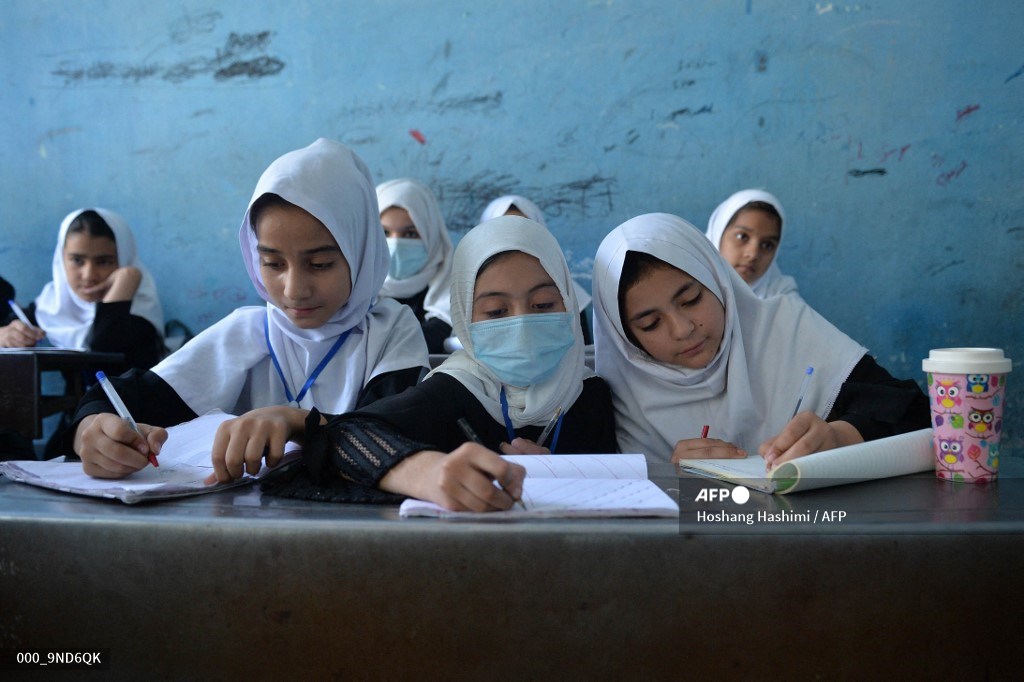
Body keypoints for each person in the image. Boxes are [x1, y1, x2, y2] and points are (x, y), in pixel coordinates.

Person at [69, 138, 429, 479]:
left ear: (361, 252)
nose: (294, 290)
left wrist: (297, 423)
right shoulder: (244, 333)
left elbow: (393, 434)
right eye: (273, 264)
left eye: (320, 265)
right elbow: (116, 396)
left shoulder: (390, 332)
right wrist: (93, 429)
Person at [253, 216, 617, 512]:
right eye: (496, 312)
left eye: (543, 306)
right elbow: (344, 439)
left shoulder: (592, 395)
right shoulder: (450, 392)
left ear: (568, 304)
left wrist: (565, 473)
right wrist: (423, 470)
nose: (521, 324)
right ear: (463, 318)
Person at [592, 212, 928, 468]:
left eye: (691, 299)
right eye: (650, 323)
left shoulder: (787, 329)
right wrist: (670, 481)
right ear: (626, 339)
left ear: (719, 282)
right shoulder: (613, 398)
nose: (682, 329)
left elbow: (914, 414)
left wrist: (840, 436)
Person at [0, 208, 165, 370]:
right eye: (77, 260)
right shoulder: (51, 307)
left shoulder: (139, 313)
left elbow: (105, 353)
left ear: (124, 258)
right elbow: (10, 329)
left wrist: (123, 287)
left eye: (104, 261)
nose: (89, 275)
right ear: (61, 259)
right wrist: (5, 335)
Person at [480, 194, 594, 344]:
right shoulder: (470, 295)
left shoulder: (570, 294)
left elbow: (580, 351)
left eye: (544, 305)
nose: (514, 241)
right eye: (496, 312)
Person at [376, 178, 453, 353]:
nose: (395, 244)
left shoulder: (455, 295)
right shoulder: (353, 295)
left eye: (410, 234)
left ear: (431, 237)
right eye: (384, 232)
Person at [705, 189, 798, 298]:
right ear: (718, 233)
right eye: (742, 236)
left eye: (767, 245)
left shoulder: (782, 298)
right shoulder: (690, 285)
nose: (753, 254)